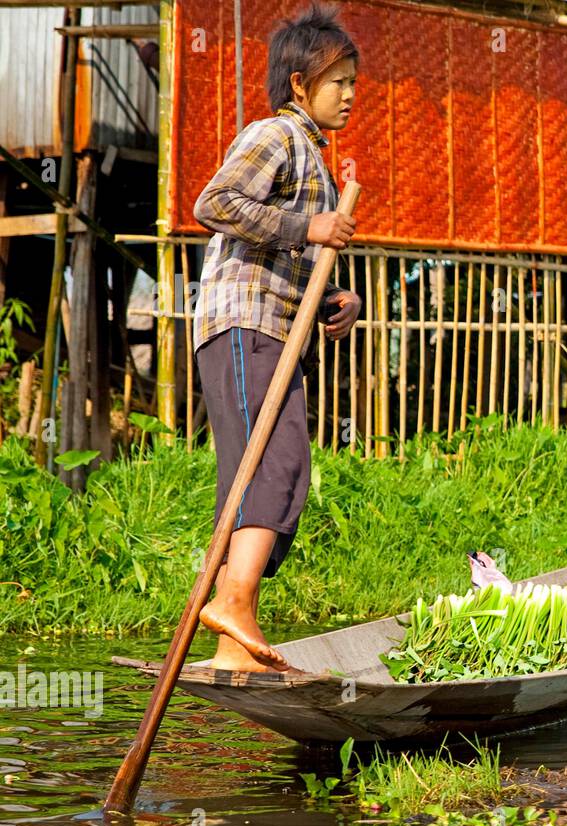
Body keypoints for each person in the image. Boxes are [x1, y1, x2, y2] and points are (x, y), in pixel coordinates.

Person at [191, 3, 361, 672]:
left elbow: (297, 259)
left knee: (268, 478)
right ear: (299, 85)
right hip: (245, 322)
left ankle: (234, 637)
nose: (348, 95)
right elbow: (215, 204)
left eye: (352, 82)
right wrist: (310, 228)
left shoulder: (316, 163)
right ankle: (234, 603)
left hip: (278, 327)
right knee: (276, 465)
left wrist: (340, 302)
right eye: (337, 81)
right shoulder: (276, 136)